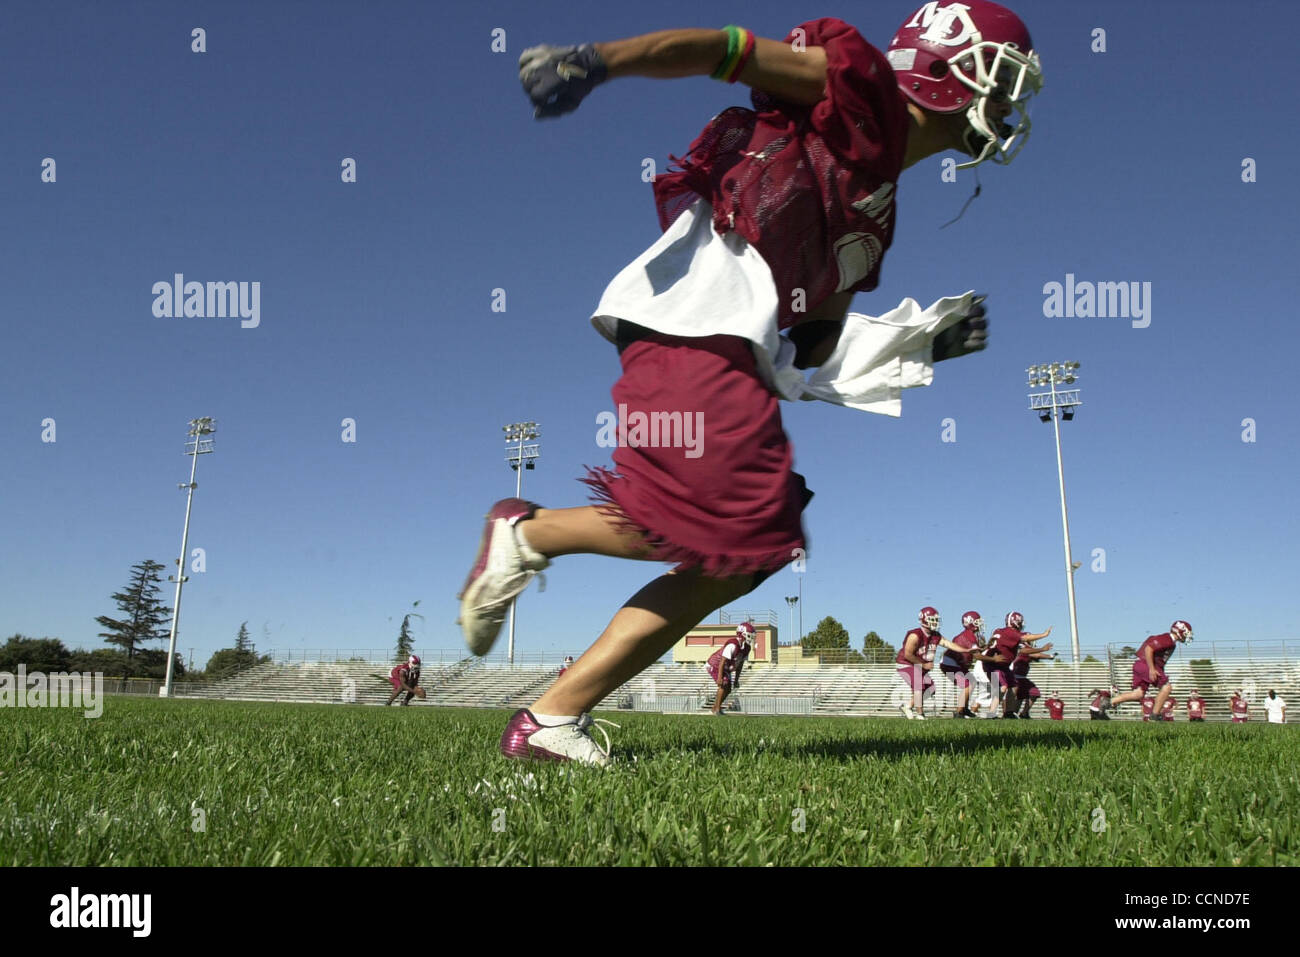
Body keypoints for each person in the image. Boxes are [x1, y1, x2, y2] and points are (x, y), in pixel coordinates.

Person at [459, 3, 1044, 765]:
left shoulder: (877, 214)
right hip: (690, 324)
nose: (1008, 104)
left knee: (753, 545)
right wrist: (599, 60)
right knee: (735, 524)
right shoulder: (853, 87)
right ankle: (528, 537)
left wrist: (919, 345)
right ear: (947, 63)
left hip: (726, 348)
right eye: (1004, 78)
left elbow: (814, 346)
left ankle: (552, 711)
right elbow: (721, 49)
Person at [973, 612, 1051, 718]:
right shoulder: (1011, 633)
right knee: (1003, 687)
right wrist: (1044, 635)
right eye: (1020, 621)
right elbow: (1026, 638)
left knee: (1013, 686)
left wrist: (1041, 649)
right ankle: (991, 713)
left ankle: (1008, 712)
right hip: (993, 664)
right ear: (1015, 622)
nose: (1022, 624)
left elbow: (1023, 649)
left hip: (1002, 665)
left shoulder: (1004, 632)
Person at [1111, 621, 1193, 720]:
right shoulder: (1167, 639)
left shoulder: (1170, 642)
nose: (1187, 636)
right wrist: (1151, 668)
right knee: (1166, 687)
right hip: (1145, 664)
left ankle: (1107, 702)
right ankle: (1155, 715)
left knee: (1138, 694)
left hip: (1141, 664)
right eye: (1186, 633)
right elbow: (1148, 649)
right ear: (1179, 631)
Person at [896, 607, 945, 719]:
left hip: (917, 664)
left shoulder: (934, 635)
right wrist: (924, 665)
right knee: (918, 684)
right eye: (932, 619)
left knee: (930, 688)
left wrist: (966, 650)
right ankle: (920, 714)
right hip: (906, 663)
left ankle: (907, 706)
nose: (935, 622)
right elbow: (908, 655)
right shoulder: (915, 634)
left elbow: (948, 644)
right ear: (924, 619)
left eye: (936, 619)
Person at [938, 610, 985, 718]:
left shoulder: (969, 635)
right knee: (968, 684)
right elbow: (977, 655)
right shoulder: (969, 636)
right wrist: (994, 659)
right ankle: (959, 712)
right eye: (977, 621)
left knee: (971, 681)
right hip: (950, 663)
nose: (980, 624)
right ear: (970, 622)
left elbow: (975, 653)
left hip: (953, 663)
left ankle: (964, 709)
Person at [708, 621, 756, 714]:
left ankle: (715, 708)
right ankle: (717, 709)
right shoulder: (733, 644)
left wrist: (736, 679)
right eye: (749, 635)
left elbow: (740, 664)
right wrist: (719, 677)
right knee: (724, 683)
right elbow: (722, 661)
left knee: (728, 688)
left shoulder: (746, 648)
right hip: (715, 664)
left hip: (725, 667)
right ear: (742, 634)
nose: (751, 638)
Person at [1009, 642, 1055, 718]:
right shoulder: (1024, 649)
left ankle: (1023, 713)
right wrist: (1050, 656)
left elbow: (1036, 656)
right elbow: (1037, 655)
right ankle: (1014, 713)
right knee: (1023, 696)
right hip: (1017, 677)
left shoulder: (1026, 649)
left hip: (1022, 677)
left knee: (1032, 693)